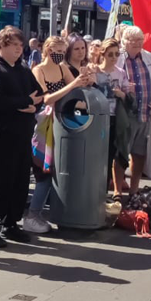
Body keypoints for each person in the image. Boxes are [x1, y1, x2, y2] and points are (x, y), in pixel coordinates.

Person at [0, 26, 45, 247]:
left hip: (22, 136)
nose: (19, 49)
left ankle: (10, 223)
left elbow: (39, 95)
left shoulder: (23, 69)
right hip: (0, 137)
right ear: (2, 45)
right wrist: (25, 103)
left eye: (20, 45)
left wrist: (32, 105)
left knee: (19, 182)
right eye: (14, 45)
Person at [26, 36, 92, 231]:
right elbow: (46, 98)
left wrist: (85, 79)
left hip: (60, 123)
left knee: (55, 170)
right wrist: (72, 85)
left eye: (63, 52)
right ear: (47, 49)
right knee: (43, 173)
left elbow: (76, 87)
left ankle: (44, 212)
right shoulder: (38, 70)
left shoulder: (63, 68)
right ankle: (32, 214)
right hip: (43, 125)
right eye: (57, 51)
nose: (60, 55)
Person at [117, 26, 151, 195]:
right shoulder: (118, 57)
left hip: (145, 113)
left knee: (139, 155)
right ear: (124, 41)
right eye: (133, 40)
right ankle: (117, 190)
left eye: (140, 40)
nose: (138, 44)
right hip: (124, 114)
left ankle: (134, 189)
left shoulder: (148, 57)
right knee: (121, 153)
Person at [95, 39, 130, 198]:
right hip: (99, 118)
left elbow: (129, 97)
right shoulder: (95, 71)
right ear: (102, 54)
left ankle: (107, 192)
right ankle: (97, 192)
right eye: (110, 54)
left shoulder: (121, 73)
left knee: (114, 155)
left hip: (116, 118)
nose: (114, 57)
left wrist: (121, 94)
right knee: (99, 157)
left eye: (117, 54)